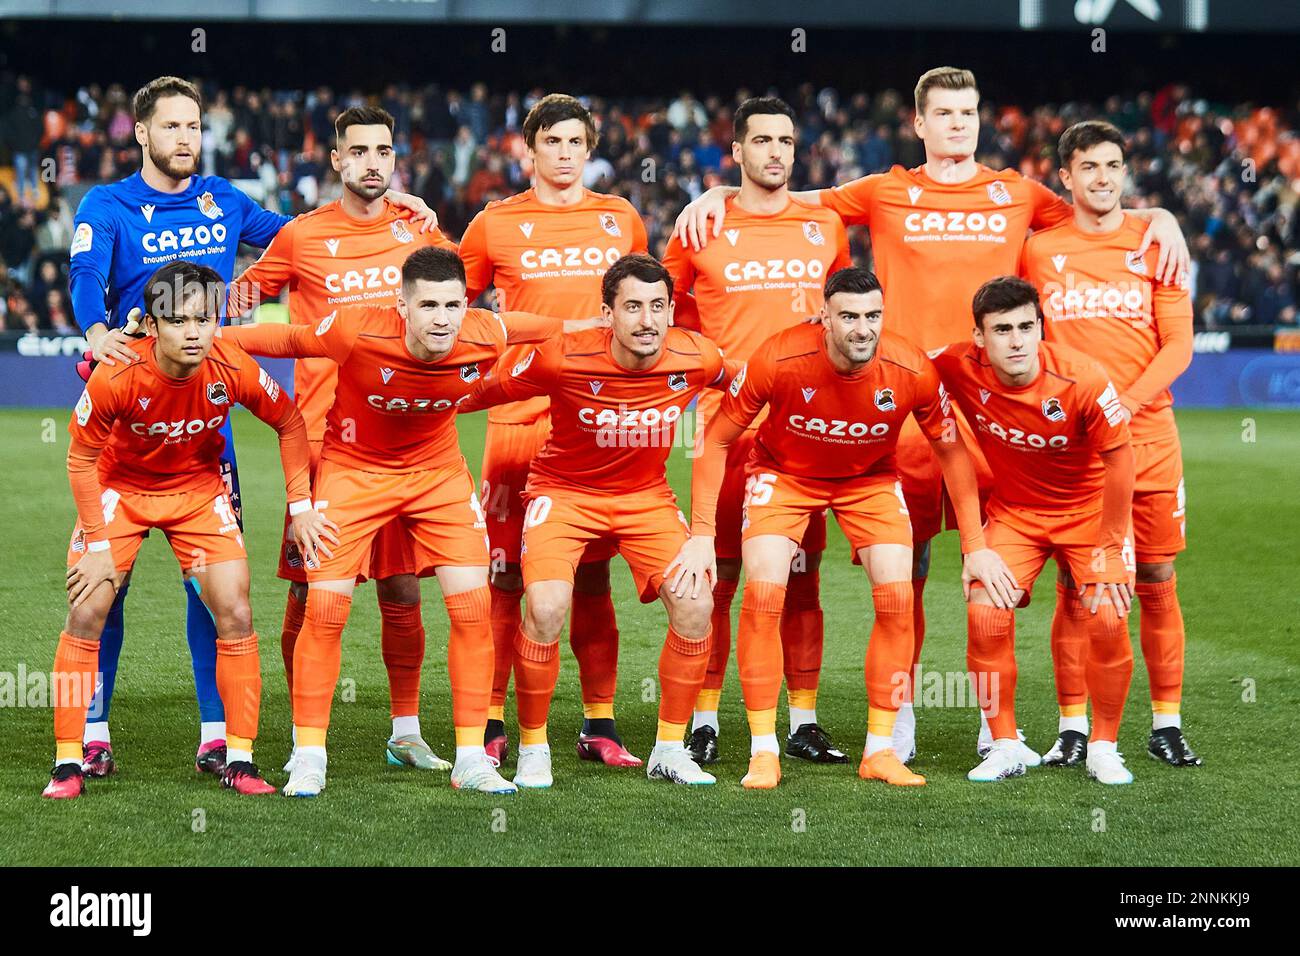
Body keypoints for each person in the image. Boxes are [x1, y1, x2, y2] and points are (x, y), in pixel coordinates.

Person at [674, 66, 1188, 764]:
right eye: (943, 113)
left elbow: (1099, 208)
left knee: (1016, 574)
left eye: (969, 112)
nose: (958, 124)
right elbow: (786, 195)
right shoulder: (884, 191)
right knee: (904, 573)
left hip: (1003, 420)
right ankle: (902, 713)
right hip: (908, 412)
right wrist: (719, 191)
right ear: (919, 124)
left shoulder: (1018, 194)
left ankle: (1011, 729)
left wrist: (1162, 217)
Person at [67, 75, 437, 778]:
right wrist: (95, 331)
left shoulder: (225, 201)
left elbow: (309, 240)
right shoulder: (106, 204)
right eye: (171, 127)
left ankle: (216, 734)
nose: (185, 139)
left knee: (213, 587)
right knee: (103, 585)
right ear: (141, 133)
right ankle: (92, 729)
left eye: (194, 127)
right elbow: (85, 272)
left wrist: (390, 205)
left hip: (208, 419)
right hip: (128, 413)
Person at [222, 246, 595, 797]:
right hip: (353, 470)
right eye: (428, 306)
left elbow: (552, 328)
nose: (442, 319)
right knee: (326, 609)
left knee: (472, 607)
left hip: (437, 474)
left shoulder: (484, 333)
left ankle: (470, 759)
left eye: (452, 305)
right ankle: (309, 755)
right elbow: (287, 339)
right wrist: (211, 336)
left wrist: (606, 326)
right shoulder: (355, 330)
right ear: (403, 305)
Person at [672, 267, 1013, 789]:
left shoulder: (910, 368)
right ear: (824, 316)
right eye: (849, 317)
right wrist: (700, 533)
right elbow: (716, 439)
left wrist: (975, 545)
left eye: (873, 316)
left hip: (869, 480)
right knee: (765, 594)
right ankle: (764, 752)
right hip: (783, 476)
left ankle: (880, 751)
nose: (863, 329)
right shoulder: (779, 357)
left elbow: (950, 449)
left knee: (898, 595)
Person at [44, 261, 332, 800]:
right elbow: (80, 459)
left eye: (204, 318)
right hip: (119, 491)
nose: (195, 331)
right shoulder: (119, 371)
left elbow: (289, 421)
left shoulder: (229, 363)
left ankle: (239, 758)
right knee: (87, 610)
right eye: (178, 320)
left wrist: (300, 507)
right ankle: (67, 762)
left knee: (236, 609)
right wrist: (99, 545)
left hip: (197, 493)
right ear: (151, 326)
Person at [228, 105, 459, 772]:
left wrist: (431, 221)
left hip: (404, 444)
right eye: (357, 150)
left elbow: (466, 286)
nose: (372, 162)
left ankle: (406, 731)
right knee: (311, 595)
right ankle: (303, 731)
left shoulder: (418, 233)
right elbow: (244, 300)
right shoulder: (302, 237)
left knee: (402, 590)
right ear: (335, 160)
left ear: (396, 157)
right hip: (326, 447)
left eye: (383, 149)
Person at [459, 255, 729, 788]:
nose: (647, 320)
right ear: (607, 314)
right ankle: (534, 749)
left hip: (645, 497)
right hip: (564, 494)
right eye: (632, 307)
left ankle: (669, 750)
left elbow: (753, 387)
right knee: (545, 606)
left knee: (697, 602)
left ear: (673, 310)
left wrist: (703, 534)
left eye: (658, 306)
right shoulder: (561, 356)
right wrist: (410, 394)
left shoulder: (697, 357)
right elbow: (481, 390)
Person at [661, 96, 852, 766]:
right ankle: (705, 719)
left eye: (787, 141)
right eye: (762, 140)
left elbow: (844, 319)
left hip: (806, 434)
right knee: (715, 576)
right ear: (735, 152)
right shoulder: (700, 228)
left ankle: (801, 720)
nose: (776, 152)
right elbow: (669, 321)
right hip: (723, 432)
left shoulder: (825, 225)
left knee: (802, 579)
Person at [458, 93, 648, 766]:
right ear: (528, 150)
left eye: (576, 143)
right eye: (553, 142)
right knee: (506, 575)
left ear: (588, 150)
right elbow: (457, 308)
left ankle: (599, 725)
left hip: (599, 420)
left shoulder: (620, 218)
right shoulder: (495, 224)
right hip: (518, 418)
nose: (564, 154)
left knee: (592, 579)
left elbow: (643, 307)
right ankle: (488, 719)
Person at [1021, 120, 1199, 767]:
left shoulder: (1155, 242)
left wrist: (1124, 403)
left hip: (1149, 439)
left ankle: (1166, 723)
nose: (1103, 178)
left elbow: (1178, 344)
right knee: (1080, 586)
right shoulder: (1039, 251)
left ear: (1126, 172)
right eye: (1089, 167)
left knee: (1156, 576)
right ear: (1065, 176)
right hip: (1076, 448)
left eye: (1113, 165)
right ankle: (1073, 729)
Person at [931, 276, 1138, 785]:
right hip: (1016, 515)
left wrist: (1111, 547)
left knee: (1108, 617)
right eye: (1002, 329)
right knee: (984, 611)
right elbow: (898, 357)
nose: (1017, 340)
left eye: (1027, 326)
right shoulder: (954, 364)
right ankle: (1005, 745)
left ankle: (1104, 747)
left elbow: (1122, 459)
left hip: (1088, 514)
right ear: (979, 338)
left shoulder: (1082, 378)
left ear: (1040, 327)